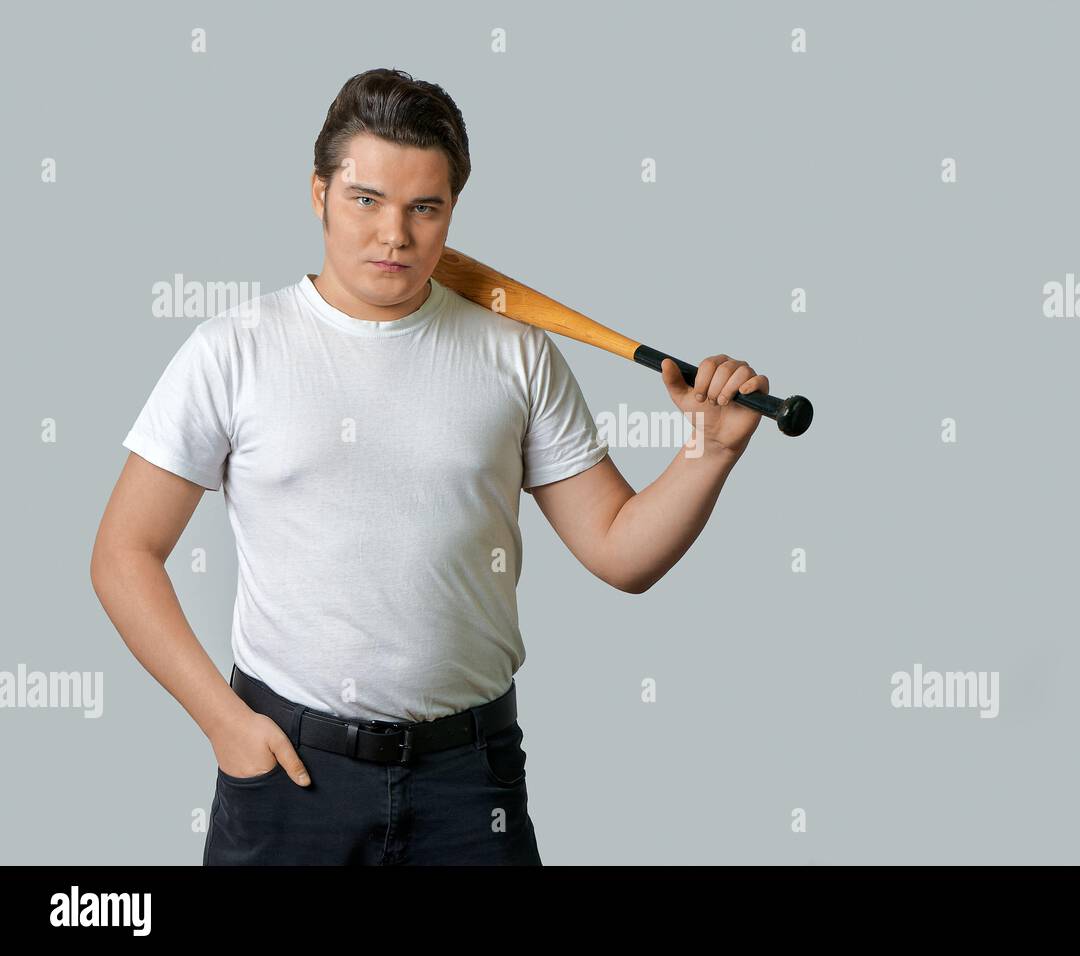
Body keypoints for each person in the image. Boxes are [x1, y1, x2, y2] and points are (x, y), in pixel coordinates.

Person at [89, 67, 770, 865]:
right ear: (318, 194)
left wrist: (709, 452)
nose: (395, 237)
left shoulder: (517, 351)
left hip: (468, 781)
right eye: (365, 200)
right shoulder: (234, 350)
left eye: (425, 208)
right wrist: (223, 723)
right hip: (289, 773)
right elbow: (122, 554)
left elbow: (621, 553)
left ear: (452, 210)